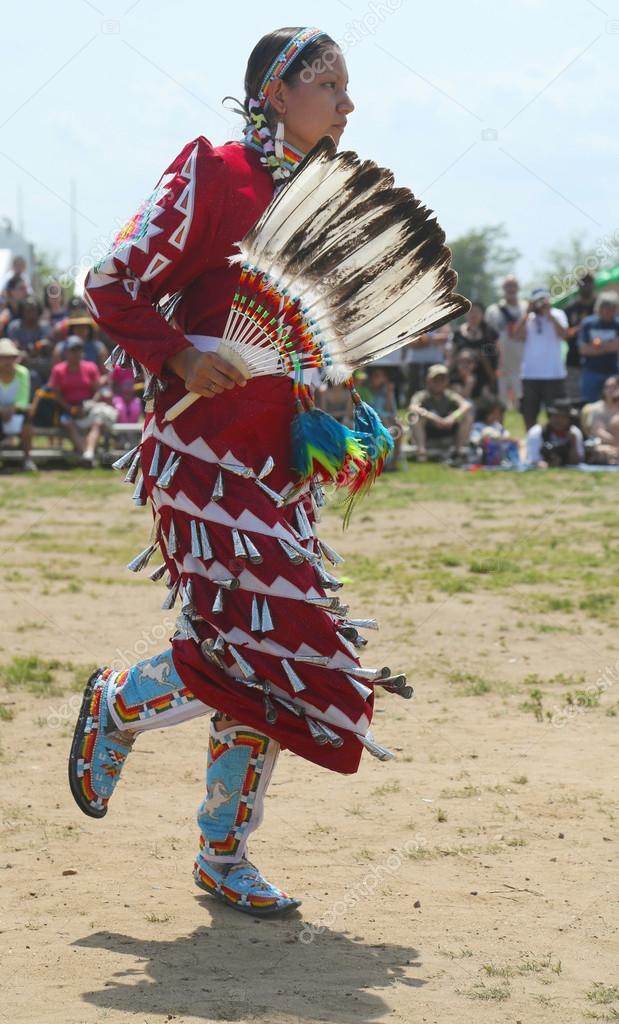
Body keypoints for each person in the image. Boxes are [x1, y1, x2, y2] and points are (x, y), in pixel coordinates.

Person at [68, 27, 409, 918]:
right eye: (329, 83)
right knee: (271, 644)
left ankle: (224, 853)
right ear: (273, 92)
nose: (346, 102)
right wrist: (179, 357)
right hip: (202, 450)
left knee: (271, 656)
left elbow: (309, 338)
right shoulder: (215, 174)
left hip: (280, 462)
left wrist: (330, 411)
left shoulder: (319, 202)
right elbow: (110, 282)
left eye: (347, 86)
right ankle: (122, 701)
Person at [513, 286, 569, 431]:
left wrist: (549, 314)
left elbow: (564, 334)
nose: (540, 303)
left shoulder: (558, 314)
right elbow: (516, 336)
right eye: (537, 300)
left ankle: (553, 442)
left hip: (554, 374)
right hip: (531, 375)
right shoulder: (527, 317)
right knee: (529, 413)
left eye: (543, 300)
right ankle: (532, 442)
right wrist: (527, 313)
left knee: (557, 413)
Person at [48, 335, 103, 461]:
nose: (76, 353)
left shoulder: (91, 367)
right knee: (68, 423)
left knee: (98, 423)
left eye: (78, 349)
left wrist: (90, 405)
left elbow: (97, 391)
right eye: (72, 350)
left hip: (88, 408)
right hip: (66, 409)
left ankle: (88, 453)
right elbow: (56, 395)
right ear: (66, 352)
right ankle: (87, 454)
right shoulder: (58, 370)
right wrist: (71, 409)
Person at [408, 363, 472, 461]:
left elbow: (466, 405)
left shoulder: (450, 395)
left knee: (467, 416)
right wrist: (433, 418)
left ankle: (458, 452)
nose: (439, 383)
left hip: (447, 432)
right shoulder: (422, 395)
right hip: (428, 433)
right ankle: (421, 451)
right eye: (435, 380)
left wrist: (452, 418)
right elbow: (413, 407)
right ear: (428, 381)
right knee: (413, 417)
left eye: (442, 380)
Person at [485, 275, 528, 409]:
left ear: (518, 288)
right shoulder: (493, 311)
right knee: (501, 404)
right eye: (508, 286)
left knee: (522, 404)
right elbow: (487, 338)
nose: (511, 289)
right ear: (503, 289)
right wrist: (490, 361)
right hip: (501, 364)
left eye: (513, 285)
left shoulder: (526, 308)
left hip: (522, 363)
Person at [577, 291, 619, 404]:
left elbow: (616, 347)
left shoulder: (617, 324)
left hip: (613, 372)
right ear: (599, 308)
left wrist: (597, 347)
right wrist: (607, 347)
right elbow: (583, 349)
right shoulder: (588, 324)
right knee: (588, 403)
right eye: (607, 308)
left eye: (613, 308)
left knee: (613, 404)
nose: (610, 312)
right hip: (591, 371)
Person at [0, 338, 35, 470]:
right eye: (4, 358)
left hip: (17, 413)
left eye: (11, 358)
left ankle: (27, 459)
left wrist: (10, 409)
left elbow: (23, 400)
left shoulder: (23, 373)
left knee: (27, 418)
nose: (8, 361)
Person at [356, 366, 400, 468]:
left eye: (380, 376)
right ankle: (379, 462)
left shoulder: (386, 391)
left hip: (384, 421)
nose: (377, 378)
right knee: (383, 424)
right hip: (368, 420)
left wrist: (389, 393)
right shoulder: (364, 389)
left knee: (398, 426)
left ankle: (393, 462)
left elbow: (391, 411)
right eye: (375, 376)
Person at [450, 301, 499, 388]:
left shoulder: (489, 334)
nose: (473, 314)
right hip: (459, 378)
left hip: (483, 376)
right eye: (470, 311)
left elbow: (491, 357)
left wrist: (477, 354)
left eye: (476, 311)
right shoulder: (458, 333)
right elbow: (452, 356)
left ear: (483, 314)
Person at [564, 273, 596, 399]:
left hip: (599, 362)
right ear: (577, 285)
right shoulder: (570, 309)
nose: (586, 285)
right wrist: (579, 329)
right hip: (574, 360)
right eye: (583, 282)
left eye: (589, 282)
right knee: (574, 399)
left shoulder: (601, 307)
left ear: (593, 284)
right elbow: (564, 334)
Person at [525, 399, 584, 467]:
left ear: (569, 419)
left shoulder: (575, 432)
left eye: (563, 417)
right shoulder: (536, 432)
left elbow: (576, 461)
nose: (559, 420)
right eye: (556, 416)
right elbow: (534, 460)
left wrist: (573, 443)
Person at [403, 324, 450, 403]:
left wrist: (424, 340)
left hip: (434, 361)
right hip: (415, 361)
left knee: (434, 386)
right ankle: (412, 406)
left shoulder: (441, 319)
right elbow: (408, 342)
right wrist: (431, 340)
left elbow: (444, 337)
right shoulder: (412, 321)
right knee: (413, 386)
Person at [470, 396, 520, 467]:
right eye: (494, 413)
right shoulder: (478, 426)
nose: (497, 416)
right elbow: (474, 440)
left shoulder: (497, 426)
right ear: (486, 413)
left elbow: (506, 436)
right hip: (484, 455)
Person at [581, 374, 619, 464]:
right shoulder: (596, 408)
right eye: (607, 387)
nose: (610, 390)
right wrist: (615, 444)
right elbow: (598, 431)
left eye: (614, 387)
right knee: (603, 451)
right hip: (603, 445)